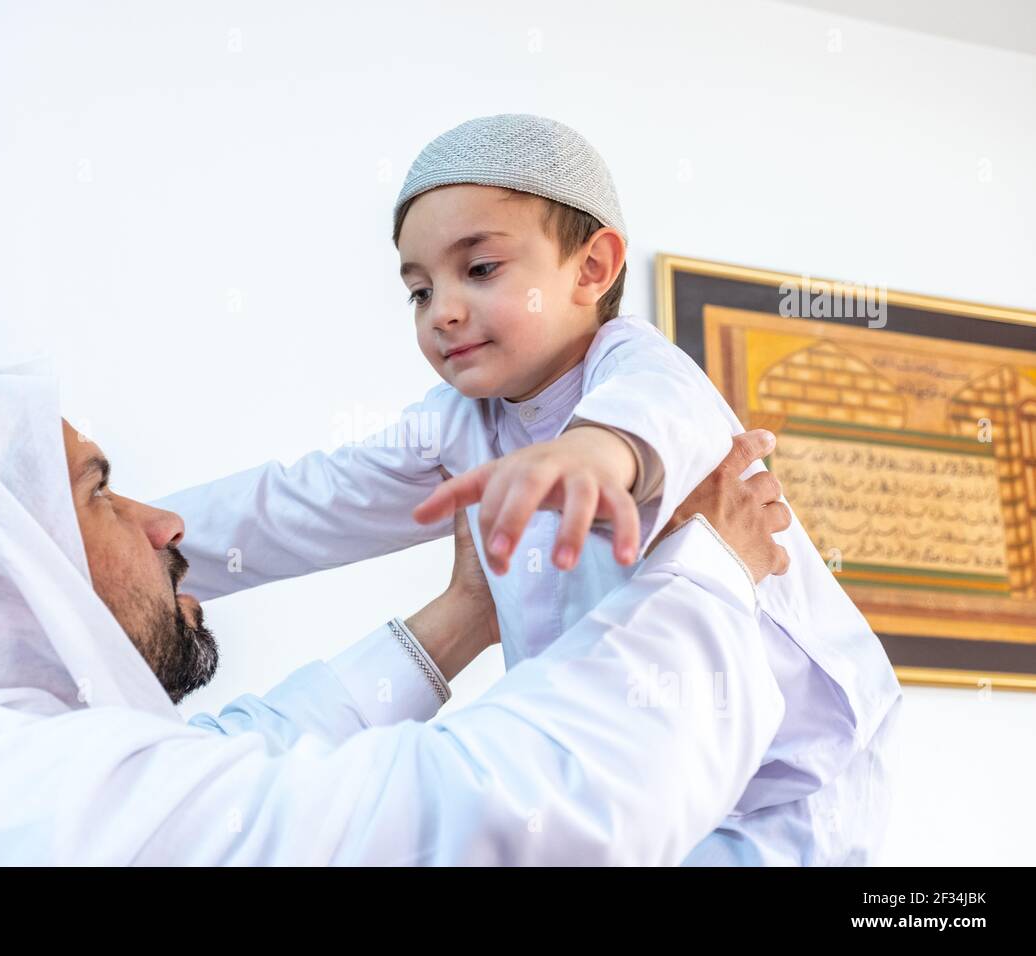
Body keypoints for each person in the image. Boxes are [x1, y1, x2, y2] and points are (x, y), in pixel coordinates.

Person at [155, 113, 903, 864]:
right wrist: (136, 539)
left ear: (591, 268)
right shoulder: (457, 424)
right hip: (636, 767)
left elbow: (654, 418)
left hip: (794, 778)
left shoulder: (634, 366)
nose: (441, 310)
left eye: (479, 269)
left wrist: (592, 452)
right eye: (419, 290)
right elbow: (304, 502)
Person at [0, 361, 787, 865]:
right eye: (101, 491)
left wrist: (463, 615)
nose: (161, 524)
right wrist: (711, 577)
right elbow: (504, 812)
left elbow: (229, 770)